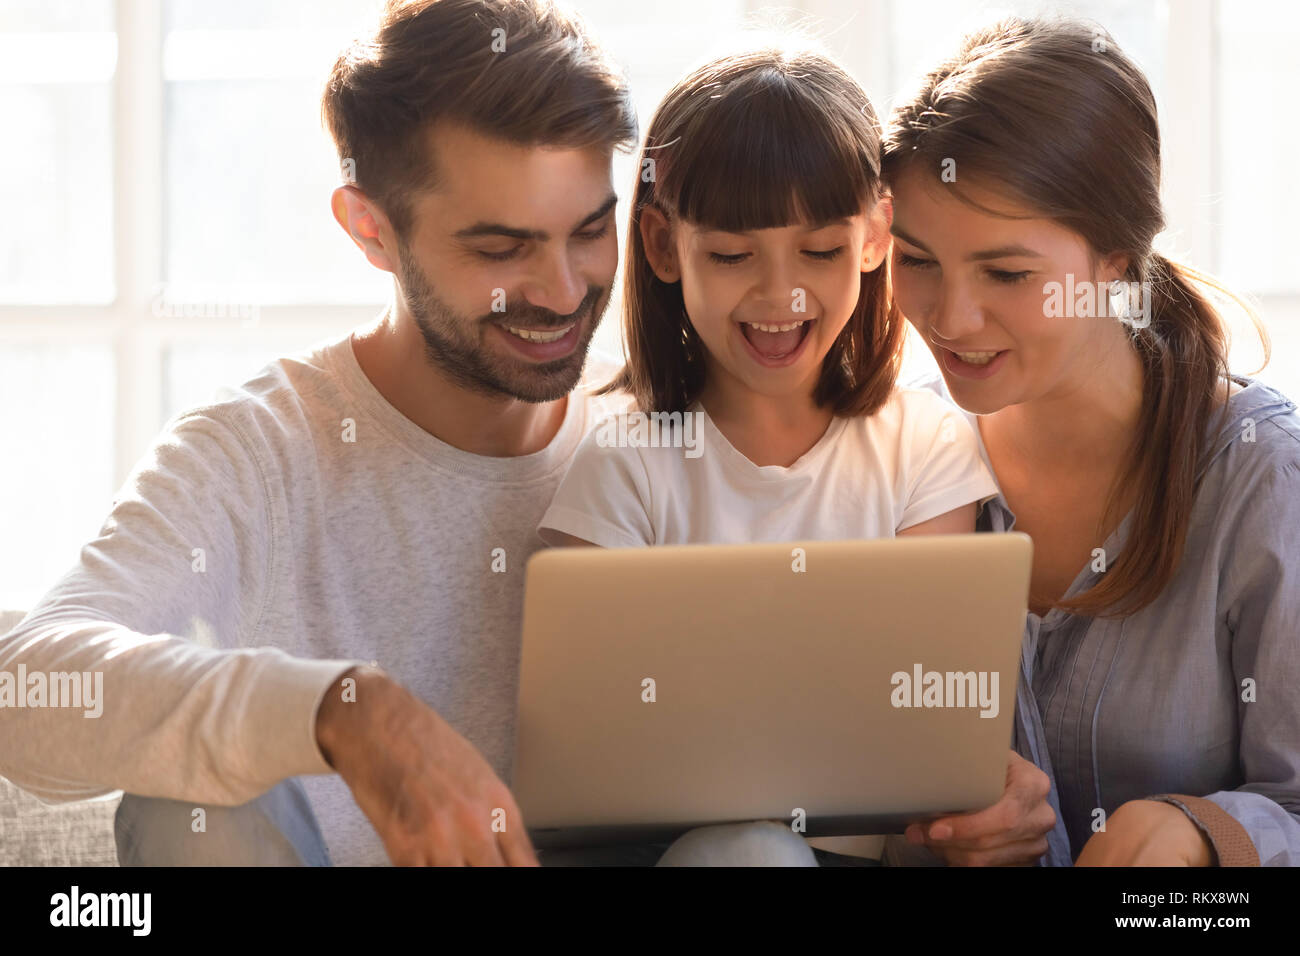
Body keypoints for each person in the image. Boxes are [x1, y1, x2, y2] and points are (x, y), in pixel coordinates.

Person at [0, 0, 811, 867]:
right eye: (501, 250)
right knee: (185, 810)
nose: (564, 290)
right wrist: (344, 710)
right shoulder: (259, 452)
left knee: (754, 848)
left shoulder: (669, 439)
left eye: (587, 231)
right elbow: (25, 687)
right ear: (371, 230)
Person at [537, 45, 1056, 866]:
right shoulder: (628, 461)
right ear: (665, 247)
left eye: (819, 252)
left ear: (876, 236)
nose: (781, 298)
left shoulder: (924, 449)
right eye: (734, 256)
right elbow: (582, 751)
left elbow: (932, 723)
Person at [882, 16, 1300, 865]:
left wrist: (1205, 835)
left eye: (1007, 273)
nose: (951, 320)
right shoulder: (891, 454)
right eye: (915, 260)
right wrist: (927, 830)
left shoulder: (1261, 479)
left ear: (1116, 259)